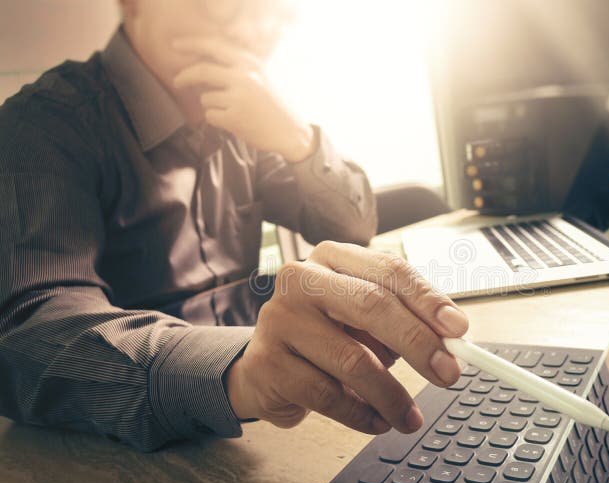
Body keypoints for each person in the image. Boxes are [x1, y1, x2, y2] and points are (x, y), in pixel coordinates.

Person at [0, 0, 467, 452]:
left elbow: (352, 225)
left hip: (272, 425)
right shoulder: (41, 127)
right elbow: (33, 337)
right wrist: (237, 372)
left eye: (274, 9)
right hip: (118, 454)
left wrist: (299, 142)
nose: (251, 29)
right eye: (219, 2)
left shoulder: (246, 112)